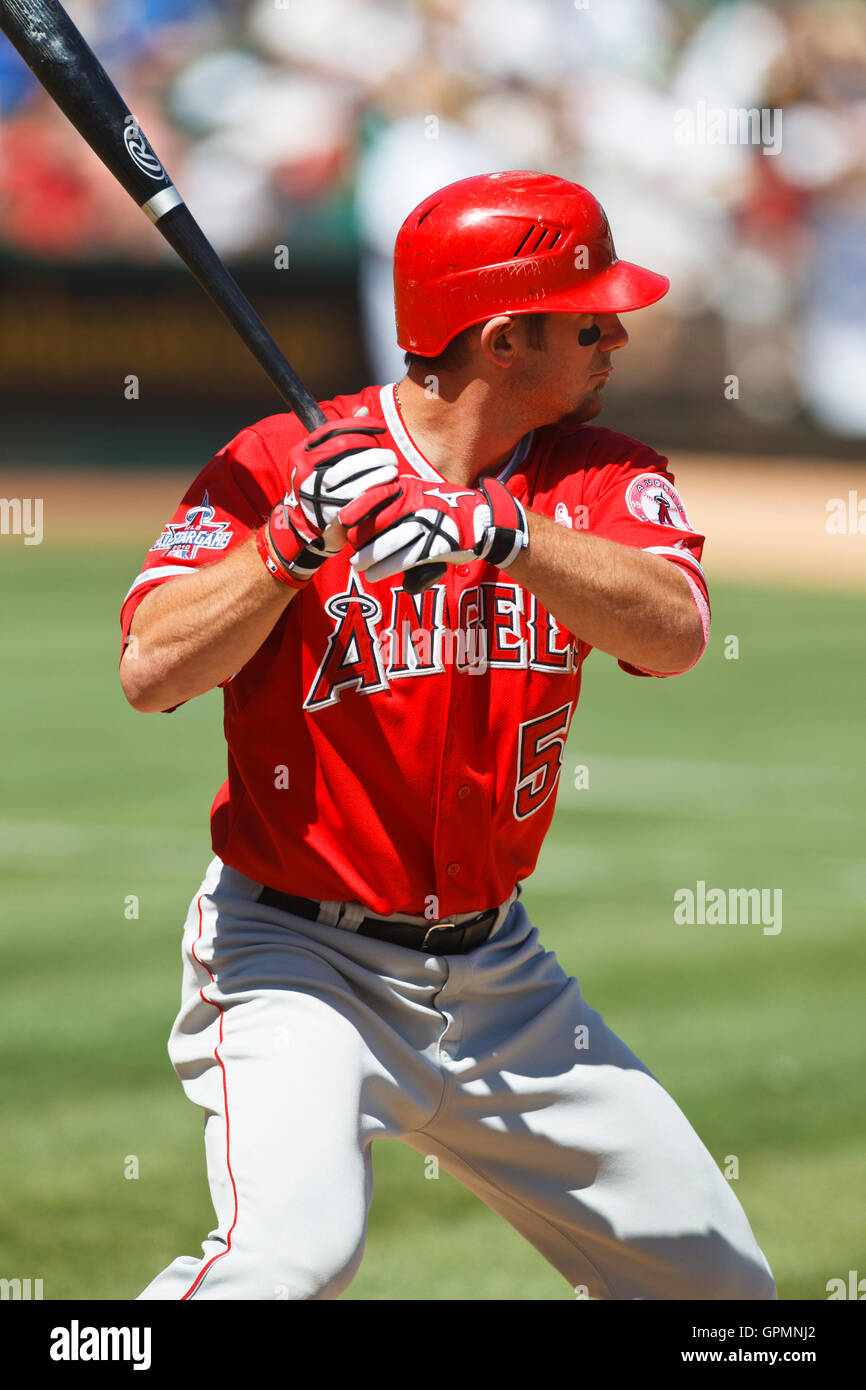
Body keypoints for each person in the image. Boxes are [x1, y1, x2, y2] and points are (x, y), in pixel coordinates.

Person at [120, 171, 777, 1301]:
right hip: (296, 961)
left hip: (501, 977)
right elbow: (150, 670)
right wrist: (287, 546)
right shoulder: (285, 464)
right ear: (504, 336)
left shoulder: (598, 474)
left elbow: (672, 632)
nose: (616, 331)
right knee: (289, 1260)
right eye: (588, 316)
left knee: (719, 1293)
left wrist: (499, 530)